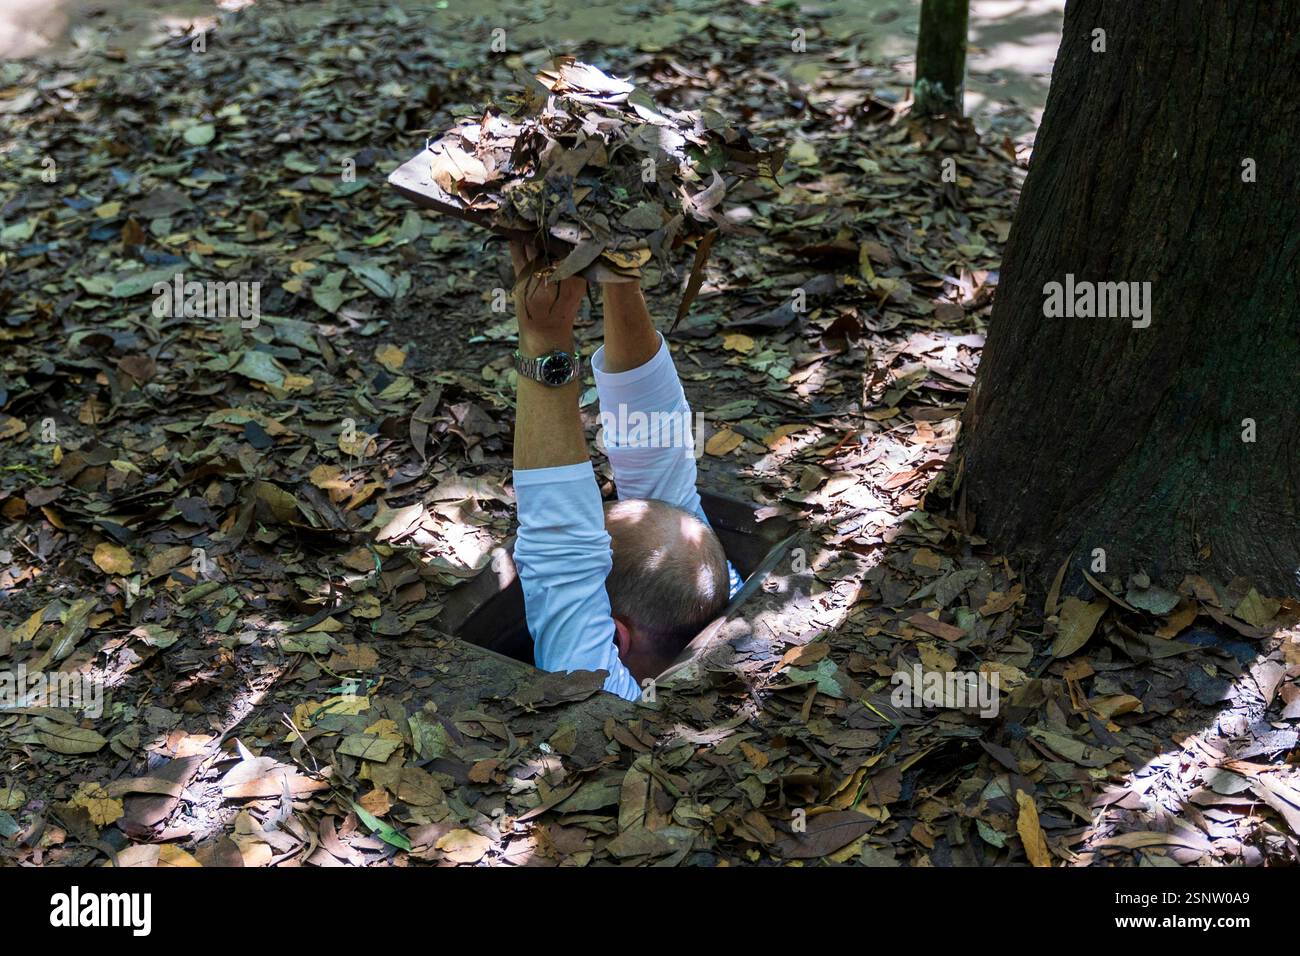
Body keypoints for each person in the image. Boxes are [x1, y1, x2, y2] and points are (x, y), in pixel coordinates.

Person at [506, 241, 741, 701]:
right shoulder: (725, 590)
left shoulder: (603, 691)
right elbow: (661, 466)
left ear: (617, 638)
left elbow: (561, 550)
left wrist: (544, 336)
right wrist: (618, 269)